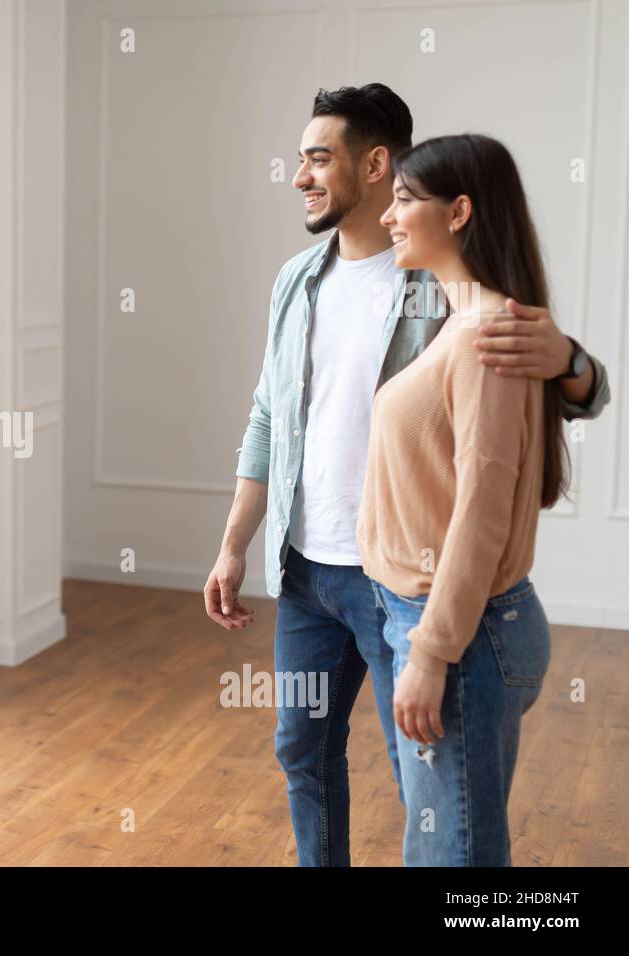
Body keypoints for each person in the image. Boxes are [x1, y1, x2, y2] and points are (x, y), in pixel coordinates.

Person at [203, 84, 610, 866]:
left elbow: (553, 403)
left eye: (318, 158)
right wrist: (233, 545)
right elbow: (267, 417)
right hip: (307, 572)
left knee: (425, 784)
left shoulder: (447, 286)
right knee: (302, 754)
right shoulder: (297, 280)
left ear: (377, 163)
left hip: (404, 583)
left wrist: (572, 363)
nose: (300, 177)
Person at [359, 133, 563, 866]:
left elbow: (481, 509)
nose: (388, 214)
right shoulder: (457, 321)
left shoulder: (485, 335)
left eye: (406, 199)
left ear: (460, 212)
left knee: (458, 859)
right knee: (440, 843)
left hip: (464, 635)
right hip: (431, 620)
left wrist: (432, 652)